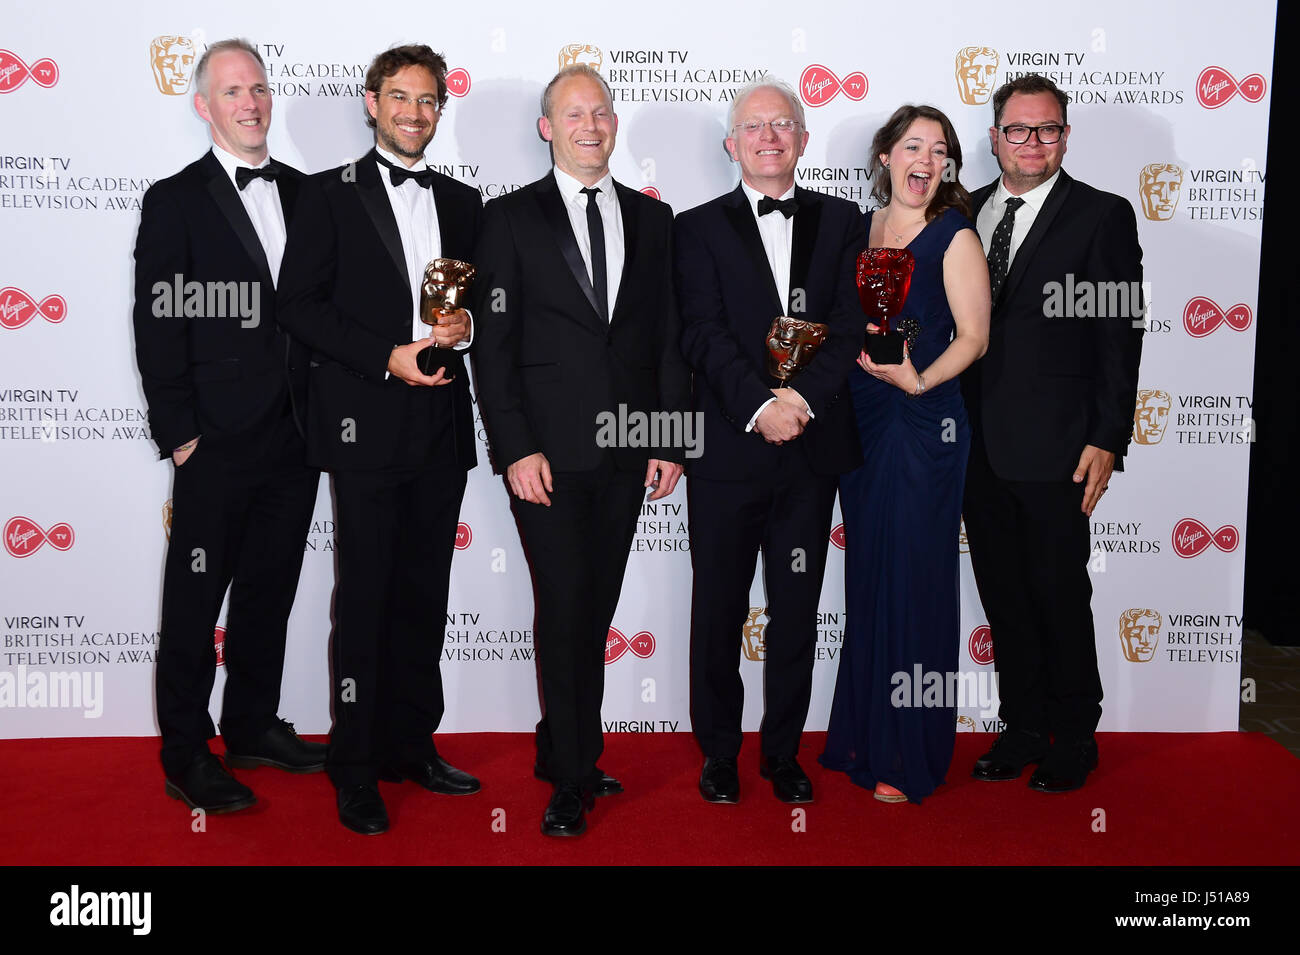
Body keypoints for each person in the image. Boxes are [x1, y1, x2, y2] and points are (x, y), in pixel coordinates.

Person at [473, 65, 690, 837]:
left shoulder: (653, 219)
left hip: (629, 451)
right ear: (547, 128)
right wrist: (514, 448)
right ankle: (572, 774)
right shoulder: (507, 219)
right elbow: (491, 350)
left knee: (590, 609)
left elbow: (666, 336)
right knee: (564, 607)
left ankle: (559, 744)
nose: (590, 124)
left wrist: (669, 437)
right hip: (548, 457)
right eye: (574, 113)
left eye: (600, 111)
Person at [276, 44, 482, 834]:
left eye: (428, 100)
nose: (414, 113)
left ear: (439, 109)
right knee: (363, 600)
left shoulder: (466, 203)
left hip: (440, 428)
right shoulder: (328, 196)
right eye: (400, 98)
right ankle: (354, 763)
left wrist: (460, 330)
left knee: (423, 597)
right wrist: (385, 355)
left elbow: (478, 308)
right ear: (371, 103)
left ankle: (411, 744)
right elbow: (300, 305)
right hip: (362, 425)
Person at [132, 38, 324, 814]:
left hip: (298, 435)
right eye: (233, 90)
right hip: (215, 438)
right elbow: (157, 319)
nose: (251, 102)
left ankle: (250, 724)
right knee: (193, 602)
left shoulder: (310, 196)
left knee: (269, 591)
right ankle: (186, 750)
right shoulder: (175, 199)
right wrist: (181, 431)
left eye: (259, 88)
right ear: (205, 106)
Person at [675, 77, 863, 806]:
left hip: (810, 454)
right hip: (728, 449)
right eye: (754, 127)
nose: (769, 137)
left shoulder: (844, 220)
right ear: (732, 143)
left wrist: (803, 402)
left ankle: (782, 751)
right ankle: (719, 752)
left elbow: (850, 328)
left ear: (804, 141)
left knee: (797, 608)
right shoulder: (695, 226)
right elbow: (700, 330)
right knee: (718, 609)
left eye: (783, 125)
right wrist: (758, 405)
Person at [962, 74, 1144, 793]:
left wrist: (1108, 435)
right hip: (975, 444)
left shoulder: (1102, 215)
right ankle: (1023, 725)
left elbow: (1119, 334)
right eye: (1018, 129)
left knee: (1059, 590)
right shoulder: (964, 210)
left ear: (1065, 136)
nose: (1032, 143)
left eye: (1047, 130)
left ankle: (1074, 734)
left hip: (1061, 446)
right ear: (995, 137)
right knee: (1003, 590)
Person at [818, 105, 990, 804]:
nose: (927, 159)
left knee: (915, 580)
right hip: (863, 417)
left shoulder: (955, 235)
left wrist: (919, 380)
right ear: (884, 155)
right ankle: (863, 730)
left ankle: (907, 751)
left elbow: (974, 336)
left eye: (940, 149)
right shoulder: (859, 231)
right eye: (913, 145)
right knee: (872, 577)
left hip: (923, 425)